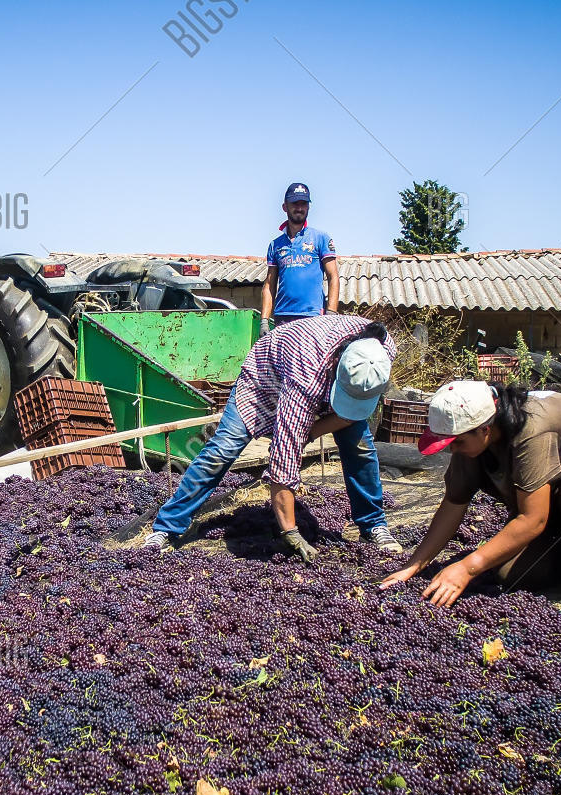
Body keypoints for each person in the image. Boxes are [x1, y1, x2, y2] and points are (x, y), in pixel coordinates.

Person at [143, 314, 403, 559]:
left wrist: (311, 432)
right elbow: (284, 457)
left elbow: (350, 416)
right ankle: (167, 528)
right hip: (265, 379)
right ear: (337, 371)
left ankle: (373, 525)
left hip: (315, 374)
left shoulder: (380, 353)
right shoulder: (307, 378)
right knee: (222, 451)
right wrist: (290, 531)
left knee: (360, 448)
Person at [379, 380, 561, 607]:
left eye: (458, 443)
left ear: (485, 429)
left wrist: (467, 567)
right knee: (510, 574)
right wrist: (415, 564)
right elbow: (453, 504)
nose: (453, 450)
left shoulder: (530, 429)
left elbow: (532, 519)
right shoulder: (470, 438)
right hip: (558, 492)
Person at [261, 182, 338, 339]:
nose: (300, 208)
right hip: (283, 317)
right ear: (285, 207)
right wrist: (264, 320)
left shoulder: (321, 238)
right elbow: (269, 284)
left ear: (308, 207)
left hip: (313, 317)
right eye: (295, 203)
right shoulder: (275, 245)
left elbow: (333, 277)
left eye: (304, 204)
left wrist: (331, 313)